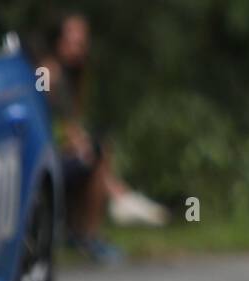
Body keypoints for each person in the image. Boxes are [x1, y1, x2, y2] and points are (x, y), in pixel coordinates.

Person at [40, 12, 168, 263]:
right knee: (94, 155)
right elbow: (43, 113)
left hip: (62, 151)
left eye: (82, 40)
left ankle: (110, 209)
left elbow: (71, 122)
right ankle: (97, 226)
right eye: (73, 40)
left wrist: (79, 141)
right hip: (44, 155)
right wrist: (72, 141)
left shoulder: (76, 75)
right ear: (58, 41)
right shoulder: (46, 72)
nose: (79, 46)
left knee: (98, 150)